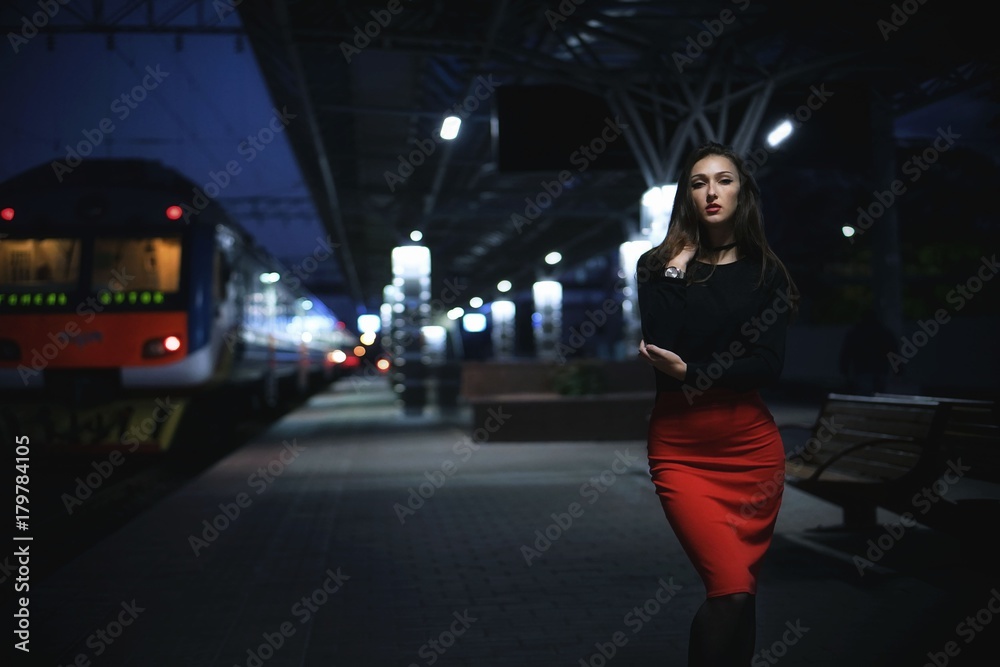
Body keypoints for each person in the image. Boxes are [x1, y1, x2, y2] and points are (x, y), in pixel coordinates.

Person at [635, 141, 799, 667]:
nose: (711, 191)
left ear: (742, 191)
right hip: (681, 451)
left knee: (740, 589)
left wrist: (696, 373)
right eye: (699, 182)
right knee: (727, 587)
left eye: (724, 180)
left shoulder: (766, 272)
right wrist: (678, 270)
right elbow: (662, 345)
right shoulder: (657, 266)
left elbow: (767, 365)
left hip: (751, 452)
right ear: (688, 195)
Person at [839, 307, 897, 394]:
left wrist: (844, 371)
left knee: (863, 395)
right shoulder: (884, 333)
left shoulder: (855, 333)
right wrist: (899, 370)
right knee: (879, 396)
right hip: (880, 371)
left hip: (862, 371)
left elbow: (846, 354)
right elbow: (893, 351)